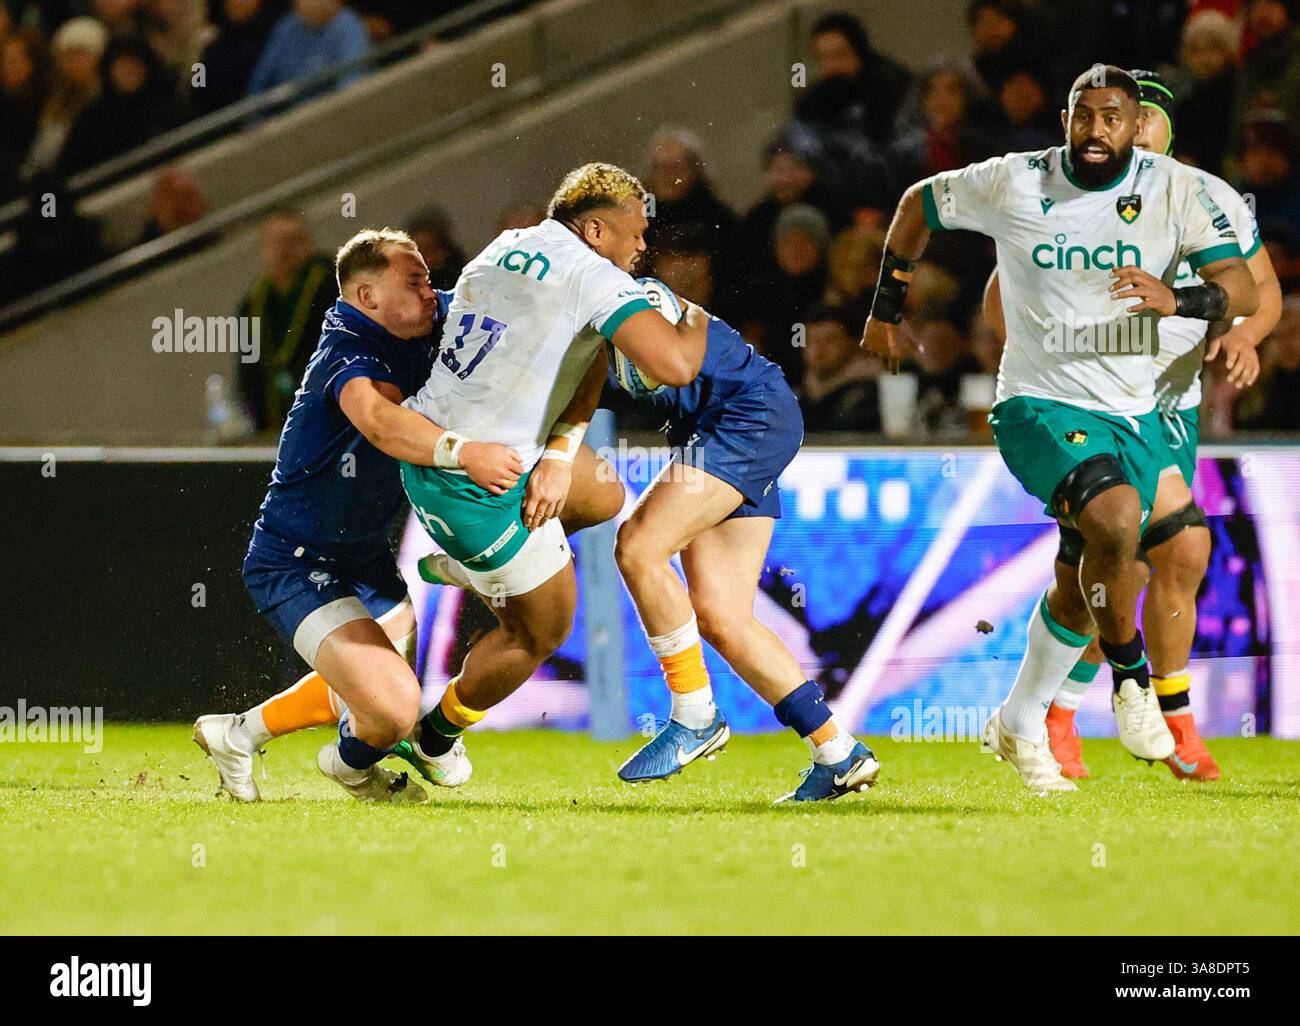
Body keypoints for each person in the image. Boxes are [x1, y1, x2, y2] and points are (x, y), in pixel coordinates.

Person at [864, 65, 1258, 791]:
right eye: (1083, 115)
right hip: (1037, 403)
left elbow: (1241, 284)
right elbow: (919, 203)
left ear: (1135, 125)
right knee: (1117, 525)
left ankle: (1020, 721)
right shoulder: (1016, 181)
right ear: (1067, 118)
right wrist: (889, 305)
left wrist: (1178, 297)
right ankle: (1134, 686)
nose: (1095, 131)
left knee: (1087, 581)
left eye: (1111, 117)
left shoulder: (1178, 190)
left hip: (1138, 412)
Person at [984, 70, 1284, 781]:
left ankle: (1076, 711)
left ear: (1167, 132)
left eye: (1142, 117)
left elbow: (1262, 290)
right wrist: (1039, 363)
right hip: (1089, 402)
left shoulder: (1202, 197)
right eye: (1114, 117)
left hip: (1169, 403)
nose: (1124, 130)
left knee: (1136, 556)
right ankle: (1115, 707)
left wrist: (1246, 335)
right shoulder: (1065, 195)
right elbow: (1003, 293)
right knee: (1153, 544)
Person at [392, 163, 711, 777]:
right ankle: (432, 739)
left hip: (468, 447)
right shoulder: (592, 278)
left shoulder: (513, 241)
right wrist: (692, 312)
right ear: (595, 229)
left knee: (606, 494)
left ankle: (477, 567)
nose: (644, 246)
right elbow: (674, 365)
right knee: (539, 634)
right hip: (472, 484)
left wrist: (560, 457)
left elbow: (586, 351)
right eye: (636, 232)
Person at [611, 286, 878, 802]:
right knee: (720, 615)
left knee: (639, 547)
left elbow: (675, 362)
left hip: (745, 418)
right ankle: (838, 752)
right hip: (730, 423)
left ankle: (694, 716)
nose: (642, 243)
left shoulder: (601, 301)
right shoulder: (585, 307)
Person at [235, 211, 337, 434]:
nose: (284, 250)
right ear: (263, 249)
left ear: (308, 244)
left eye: (292, 241)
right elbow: (247, 367)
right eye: (275, 243)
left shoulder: (329, 292)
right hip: (271, 421)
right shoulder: (254, 302)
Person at [248, 0, 369, 97]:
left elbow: (350, 88)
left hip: (332, 112)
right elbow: (258, 86)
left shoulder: (348, 27)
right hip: (292, 117)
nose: (317, 3)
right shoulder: (286, 28)